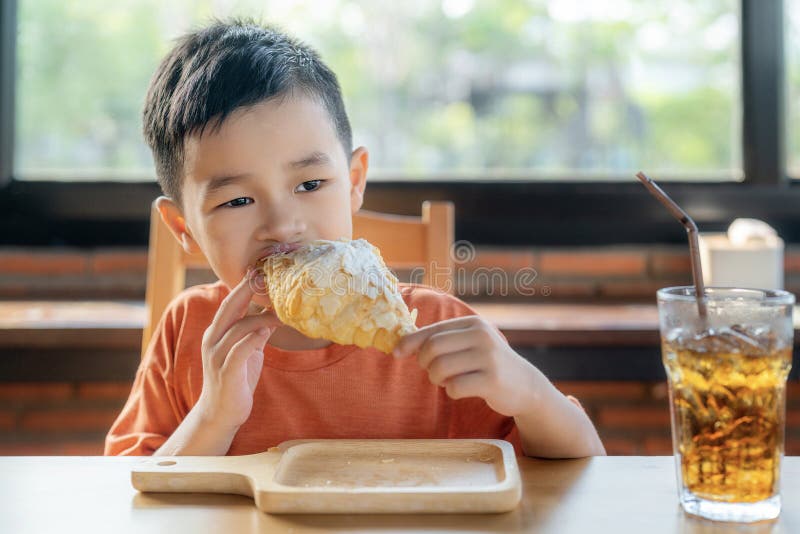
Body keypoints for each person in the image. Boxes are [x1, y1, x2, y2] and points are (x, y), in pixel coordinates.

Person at [105, 19, 605, 458]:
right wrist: (213, 418)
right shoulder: (189, 332)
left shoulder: (436, 326)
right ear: (184, 229)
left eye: (310, 184)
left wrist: (530, 393)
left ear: (355, 181)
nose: (282, 224)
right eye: (236, 200)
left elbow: (584, 463)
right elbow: (133, 493)